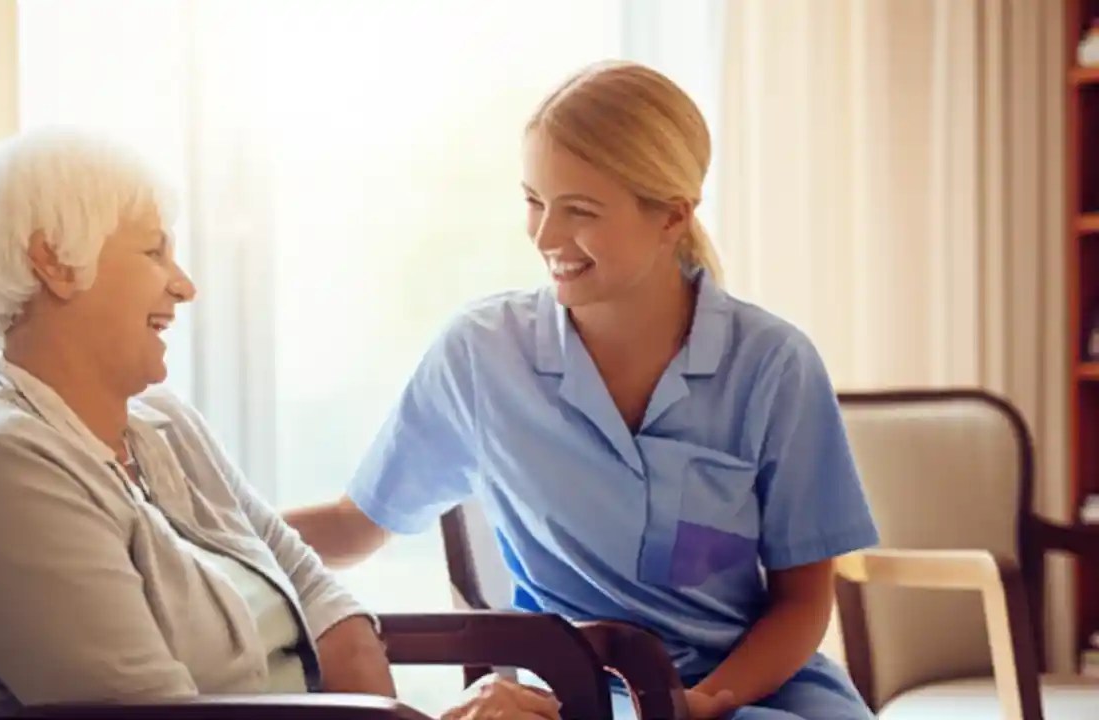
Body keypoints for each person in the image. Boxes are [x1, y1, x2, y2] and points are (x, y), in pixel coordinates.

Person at [0, 128, 561, 720]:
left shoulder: (160, 422)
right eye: (155, 253)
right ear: (54, 262)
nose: (184, 285)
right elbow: (149, 714)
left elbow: (316, 592)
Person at [284, 61, 880, 720]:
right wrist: (192, 535)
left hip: (756, 691)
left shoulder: (774, 367)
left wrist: (702, 703)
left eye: (580, 211)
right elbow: (353, 524)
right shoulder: (481, 357)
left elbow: (803, 600)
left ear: (671, 217)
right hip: (580, 697)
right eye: (534, 201)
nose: (545, 237)